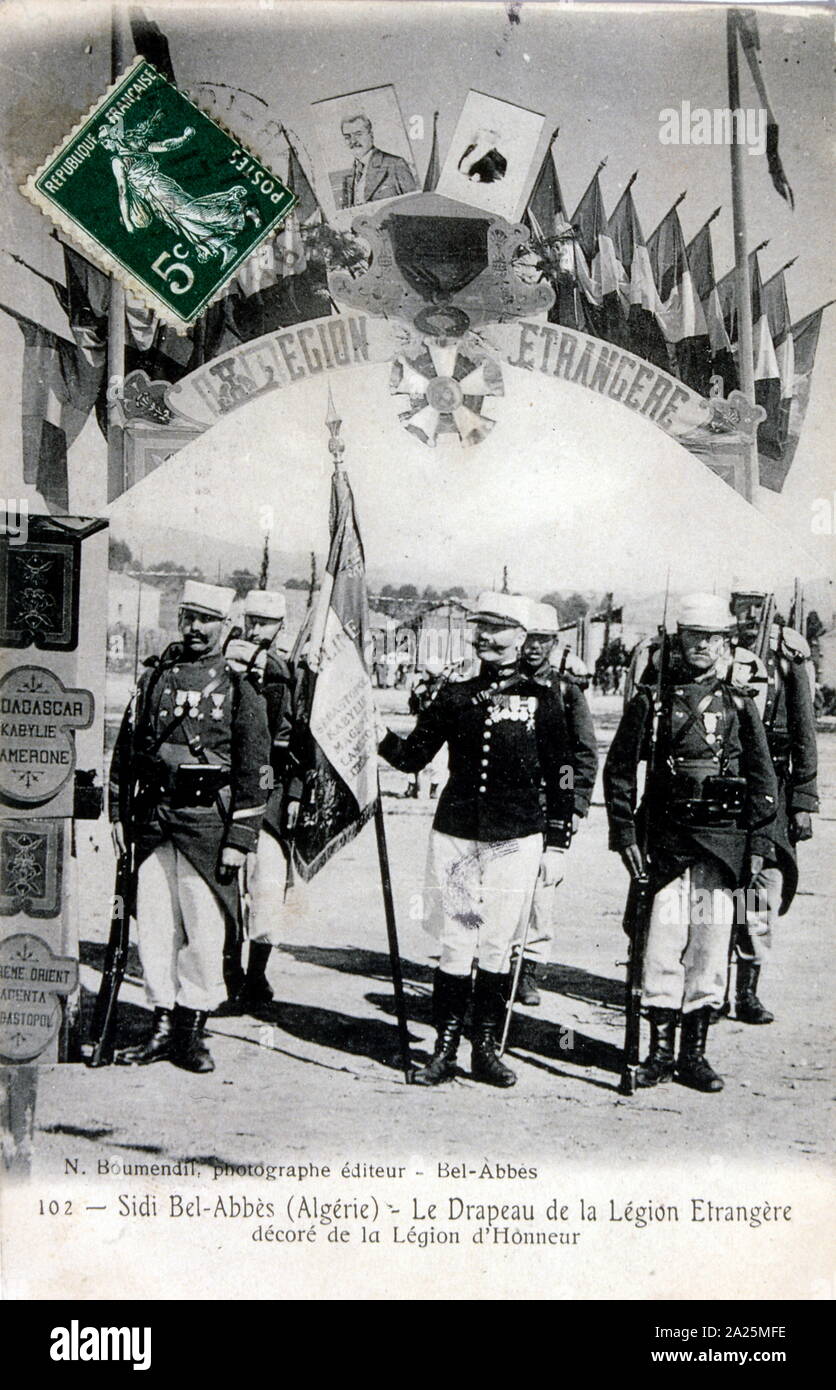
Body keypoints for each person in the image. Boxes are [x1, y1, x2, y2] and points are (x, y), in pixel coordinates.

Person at [379, 592, 575, 1089]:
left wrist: (557, 842)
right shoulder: (455, 695)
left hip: (517, 836)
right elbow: (412, 759)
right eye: (480, 626)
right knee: (455, 943)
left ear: (521, 637)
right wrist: (374, 732)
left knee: (495, 945)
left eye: (498, 627)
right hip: (457, 834)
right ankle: (442, 1051)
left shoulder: (545, 700)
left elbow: (564, 774)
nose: (485, 636)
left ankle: (484, 1049)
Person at [603, 593, 778, 1093]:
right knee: (660, 946)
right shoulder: (652, 702)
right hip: (665, 845)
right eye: (693, 636)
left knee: (709, 949)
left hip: (722, 848)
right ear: (679, 639)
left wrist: (759, 845)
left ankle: (693, 1056)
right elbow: (618, 772)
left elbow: (764, 781)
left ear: (727, 644)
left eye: (713, 638)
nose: (702, 646)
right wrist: (625, 833)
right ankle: (658, 1055)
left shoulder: (740, 705)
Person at [110, 581, 270, 1073]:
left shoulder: (240, 687)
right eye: (188, 617)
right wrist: (118, 811)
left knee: (204, 931)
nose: (196, 628)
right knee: (156, 926)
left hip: (208, 827)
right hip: (156, 819)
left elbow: (254, 769)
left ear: (227, 627)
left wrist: (240, 840)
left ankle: (192, 1029)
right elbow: (127, 748)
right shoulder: (155, 678)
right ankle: (161, 1023)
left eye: (207, 620)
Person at [725, 590, 818, 1023]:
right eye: (741, 604)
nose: (750, 614)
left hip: (774, 792)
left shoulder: (788, 658)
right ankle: (707, 992)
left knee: (762, 888)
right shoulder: (714, 651)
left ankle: (747, 991)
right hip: (723, 788)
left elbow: (804, 731)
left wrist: (802, 800)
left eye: (757, 605)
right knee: (718, 886)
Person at [514, 600, 599, 1005]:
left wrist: (573, 803)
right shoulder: (502, 686)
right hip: (505, 803)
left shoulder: (566, 691)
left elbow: (579, 756)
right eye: (527, 639)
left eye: (542, 640)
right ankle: (494, 967)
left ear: (554, 643)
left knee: (540, 894)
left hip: (550, 804)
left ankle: (527, 969)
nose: (533, 648)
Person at [223, 589, 300, 1011]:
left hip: (267, 790)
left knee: (267, 887)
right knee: (227, 888)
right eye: (251, 620)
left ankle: (257, 975)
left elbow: (290, 740)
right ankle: (230, 973)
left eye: (265, 622)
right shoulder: (224, 662)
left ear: (280, 626)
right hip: (225, 789)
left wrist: (282, 791)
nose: (256, 629)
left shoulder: (287, 673)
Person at [98, 112, 260, 267]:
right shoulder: (133, 146)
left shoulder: (118, 161)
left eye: (105, 141)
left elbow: (123, 192)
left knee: (195, 213)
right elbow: (164, 146)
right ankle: (226, 248)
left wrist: (127, 222)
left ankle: (244, 209)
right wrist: (184, 138)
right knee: (185, 224)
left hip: (160, 189)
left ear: (113, 137)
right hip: (155, 197)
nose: (105, 146)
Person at [340, 113, 416, 208]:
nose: (353, 141)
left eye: (358, 134)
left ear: (371, 135)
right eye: (347, 137)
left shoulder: (395, 164)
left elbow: (415, 204)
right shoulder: (348, 178)